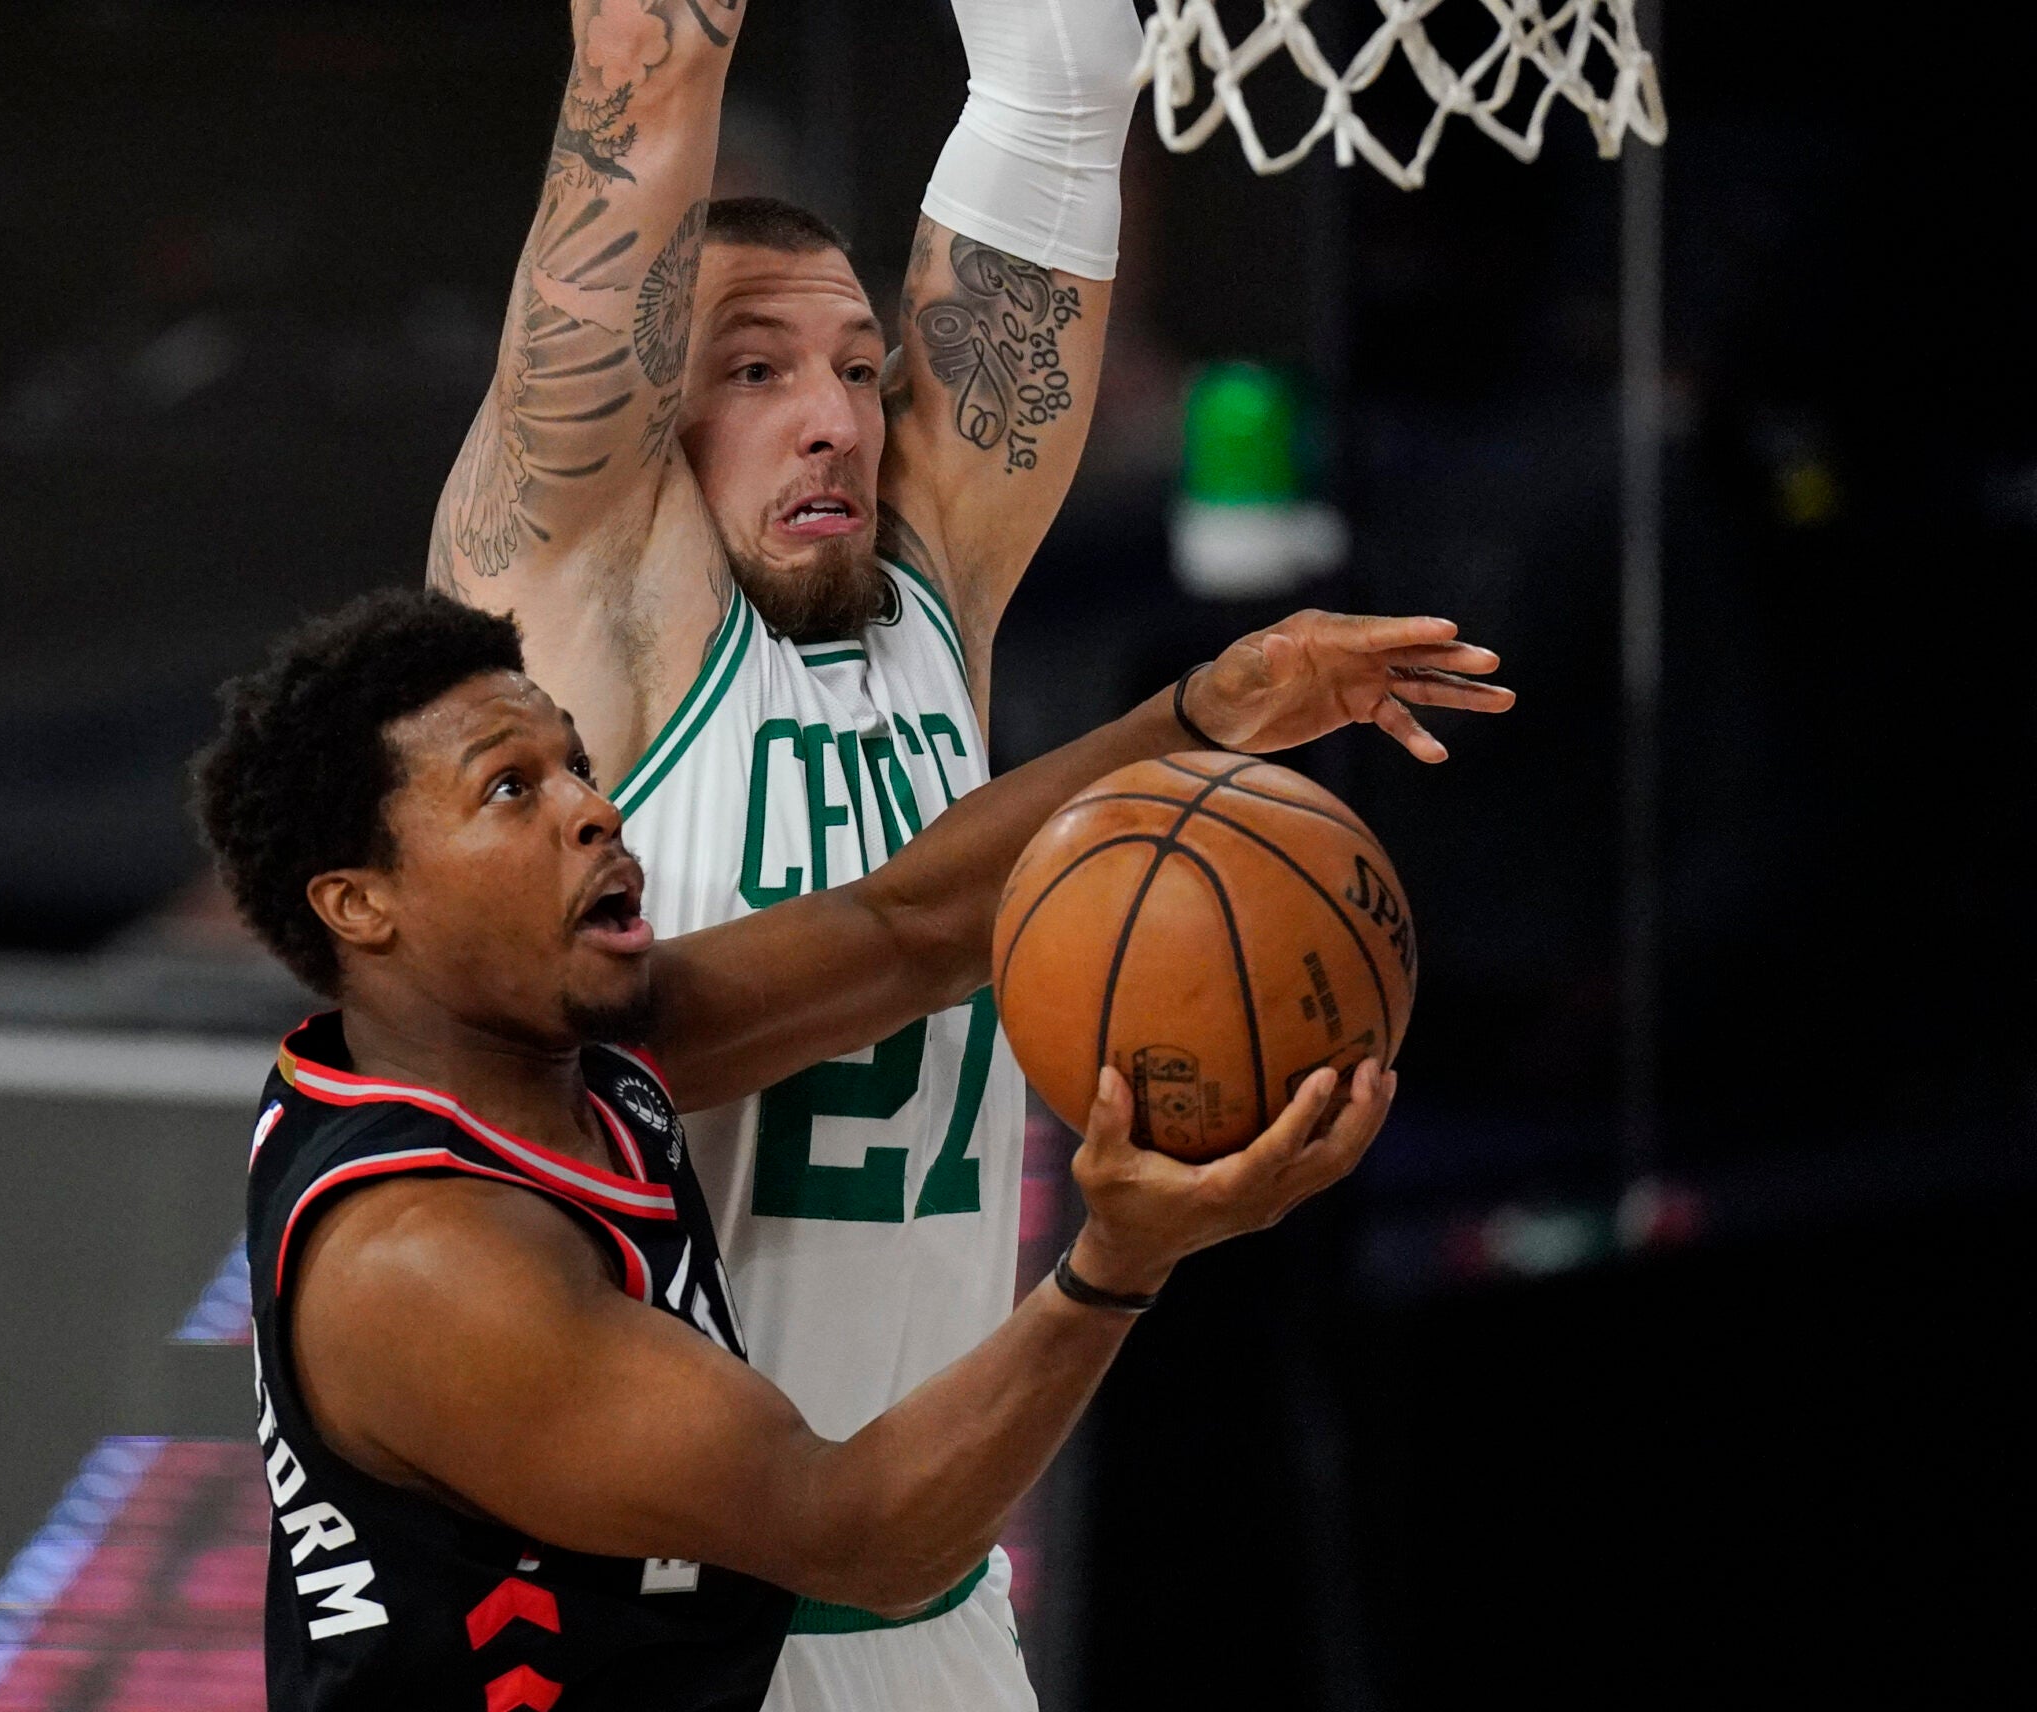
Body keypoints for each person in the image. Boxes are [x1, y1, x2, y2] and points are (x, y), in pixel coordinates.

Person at [425, 4, 1514, 1703]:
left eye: (862, 370)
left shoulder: (929, 586)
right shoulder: (579, 605)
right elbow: (644, 74)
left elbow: (1059, 81)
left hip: (922, 1608)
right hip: (633, 1626)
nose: (836, 418)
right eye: (756, 368)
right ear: (644, 408)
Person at [191, 589, 1394, 1712]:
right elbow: (863, 1535)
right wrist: (1119, 1260)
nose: (590, 807)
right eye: (511, 790)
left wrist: (1202, 716)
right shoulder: (433, 1265)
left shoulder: (523, 1046)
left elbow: (904, 926)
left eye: (575, 762)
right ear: (358, 904)